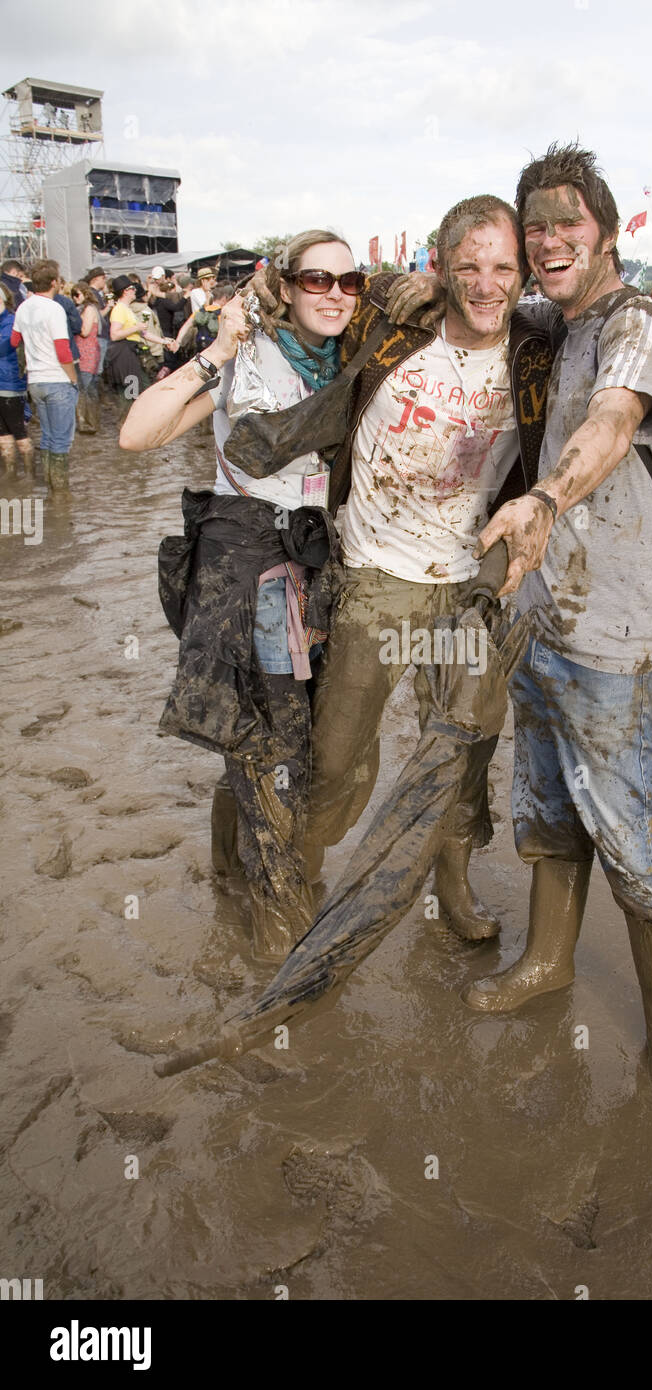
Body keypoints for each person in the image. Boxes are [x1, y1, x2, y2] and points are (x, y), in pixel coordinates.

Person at [457, 142, 652, 1103]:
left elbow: (608, 423)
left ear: (605, 231)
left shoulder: (636, 327)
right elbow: (465, 301)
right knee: (551, 816)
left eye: (569, 223)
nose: (551, 240)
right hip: (543, 619)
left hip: (621, 640)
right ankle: (547, 963)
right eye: (537, 228)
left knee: (630, 832)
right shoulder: (551, 327)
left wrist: (546, 500)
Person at [301, 194, 554, 942]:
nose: (486, 284)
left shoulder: (538, 351)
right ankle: (302, 874)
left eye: (503, 267)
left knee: (466, 743)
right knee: (336, 749)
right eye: (468, 266)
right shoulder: (387, 324)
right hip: (376, 574)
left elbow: (609, 316)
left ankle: (452, 885)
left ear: (524, 273)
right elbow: (300, 294)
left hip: (469, 580)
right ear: (439, 268)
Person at [118, 231, 354, 959]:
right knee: (277, 742)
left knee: (288, 733)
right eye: (317, 280)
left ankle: (227, 869)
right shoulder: (243, 355)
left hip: (318, 563)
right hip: (246, 564)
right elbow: (135, 434)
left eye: (351, 282)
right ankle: (278, 930)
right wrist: (216, 351)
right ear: (284, 286)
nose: (335, 294)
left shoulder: (359, 361)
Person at [9, 258, 78, 489]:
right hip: (57, 378)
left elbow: (14, 340)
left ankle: (51, 488)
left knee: (48, 436)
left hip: (35, 380)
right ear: (54, 282)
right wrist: (73, 378)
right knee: (61, 440)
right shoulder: (54, 308)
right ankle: (60, 492)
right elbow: (63, 350)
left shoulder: (23, 307)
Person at [104, 276, 171, 409]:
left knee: (136, 389)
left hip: (130, 352)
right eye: (132, 288)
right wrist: (136, 327)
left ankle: (133, 420)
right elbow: (115, 334)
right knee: (130, 392)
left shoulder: (127, 309)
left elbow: (143, 333)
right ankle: (127, 422)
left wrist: (164, 341)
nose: (135, 291)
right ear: (125, 291)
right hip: (123, 353)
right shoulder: (119, 310)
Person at [0, 281, 33, 470]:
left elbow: (5, 347)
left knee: (20, 433)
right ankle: (10, 473)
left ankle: (29, 475)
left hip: (10, 385)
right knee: (3, 436)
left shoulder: (12, 321)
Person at [70, 281, 101, 433]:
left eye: (77, 295)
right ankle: (86, 422)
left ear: (85, 294)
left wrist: (73, 321)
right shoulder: (83, 308)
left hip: (87, 351)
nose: (75, 298)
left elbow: (85, 331)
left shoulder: (88, 309)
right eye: (73, 295)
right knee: (84, 387)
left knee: (86, 387)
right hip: (82, 350)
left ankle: (90, 423)